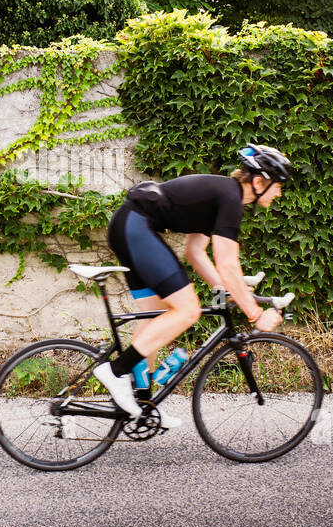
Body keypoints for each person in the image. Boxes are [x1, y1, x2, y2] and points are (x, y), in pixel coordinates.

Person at [93, 145, 293, 427]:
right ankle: (116, 371)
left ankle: (142, 405)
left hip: (129, 226)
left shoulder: (222, 196)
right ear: (259, 181)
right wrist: (256, 315)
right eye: (278, 186)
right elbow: (227, 263)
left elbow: (196, 252)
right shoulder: (231, 199)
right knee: (188, 310)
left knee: (155, 314)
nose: (279, 193)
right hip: (136, 227)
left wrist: (226, 290)